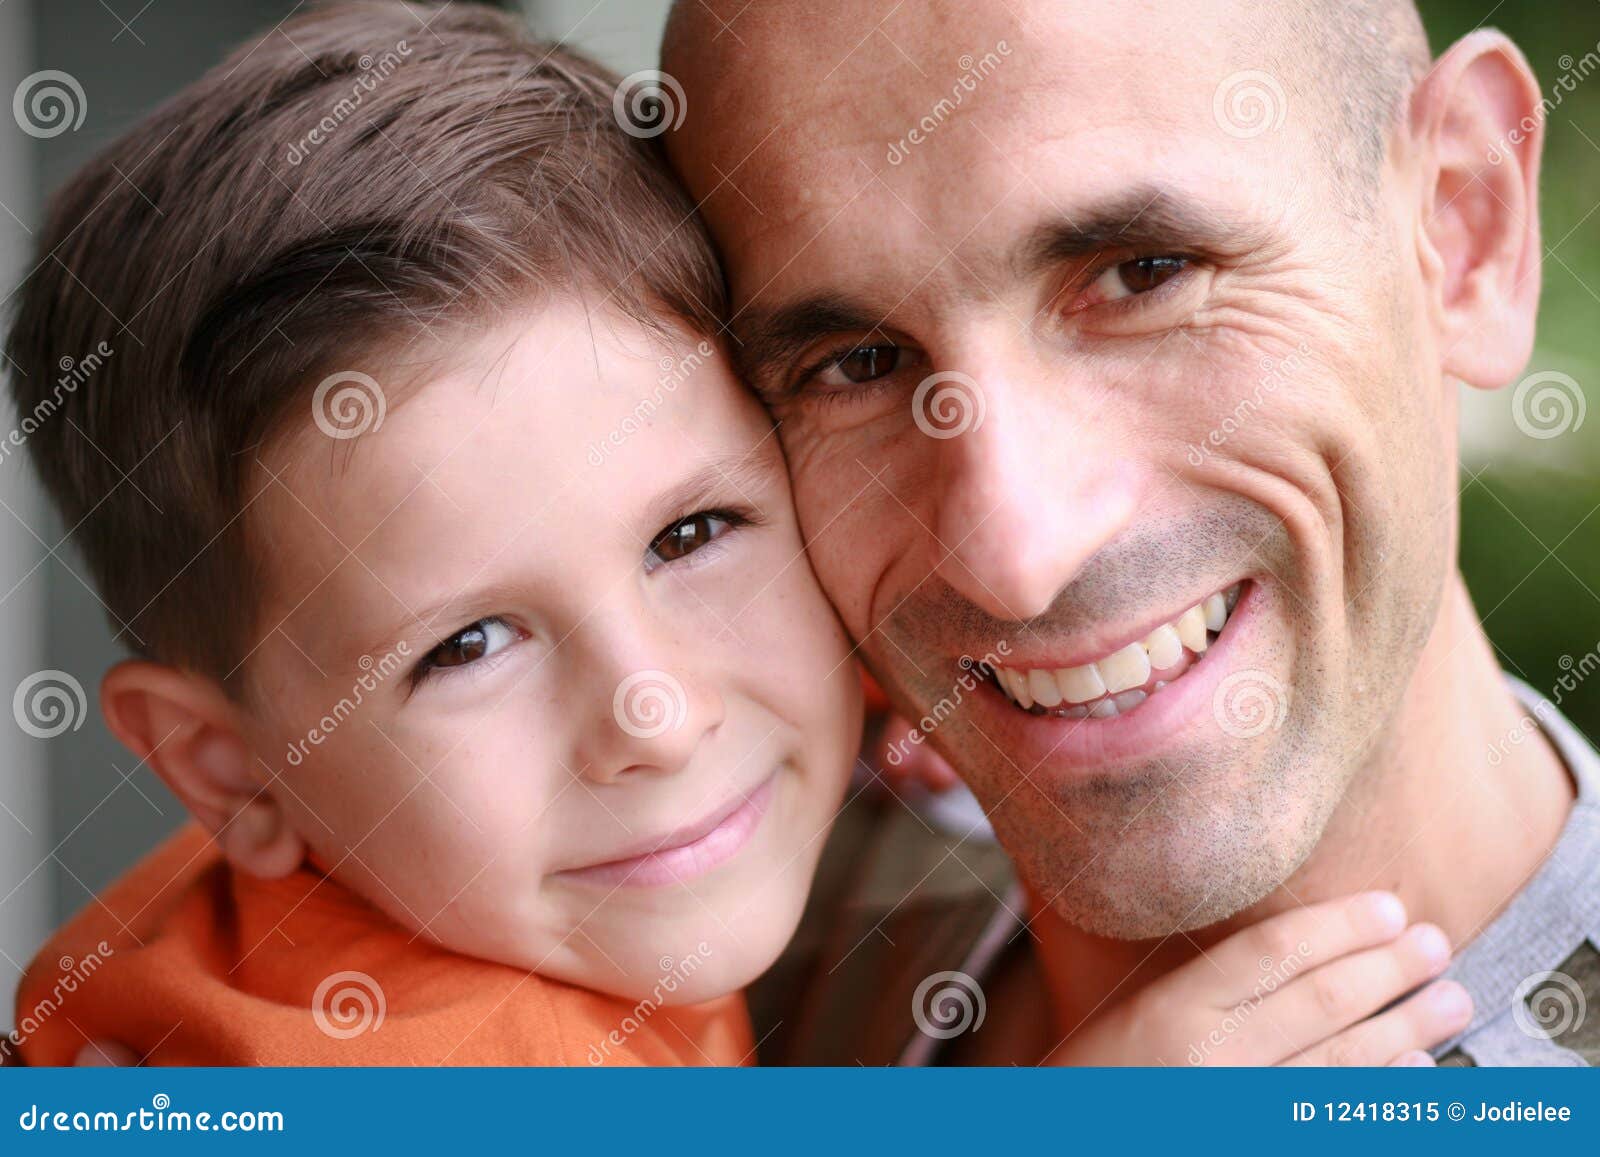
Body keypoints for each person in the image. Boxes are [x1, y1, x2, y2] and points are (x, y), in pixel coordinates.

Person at [2, 2, 1461, 1068]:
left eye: (695, 533)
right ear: (226, 770)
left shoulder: (308, 893)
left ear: (1464, 228)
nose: (658, 710)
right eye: (470, 644)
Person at [661, 0, 1600, 1065]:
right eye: (857, 363)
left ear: (1462, 223)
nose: (1016, 556)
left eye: (1141, 274)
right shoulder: (716, 924)